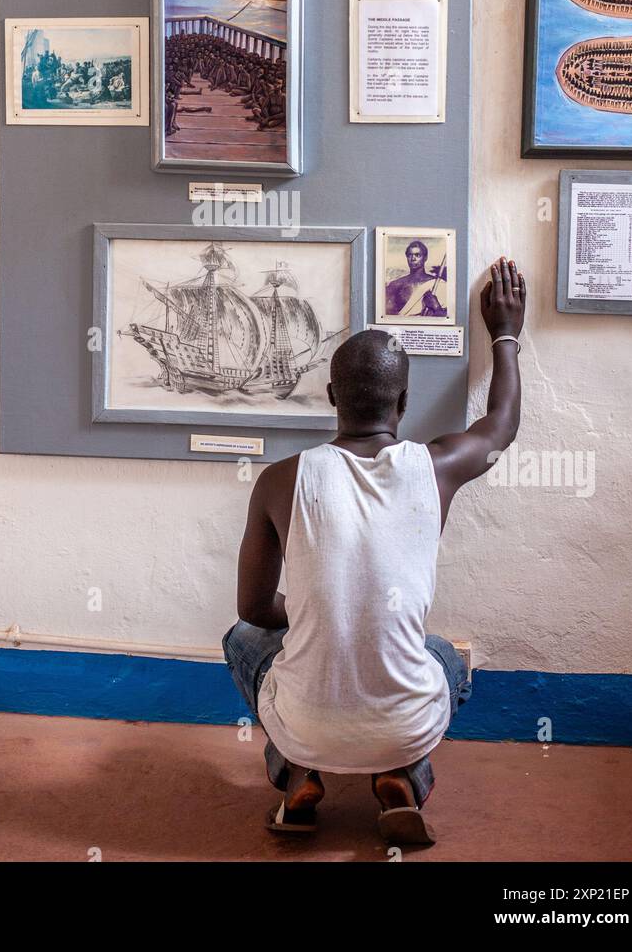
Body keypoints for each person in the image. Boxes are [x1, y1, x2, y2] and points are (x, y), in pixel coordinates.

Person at [223, 256, 526, 844]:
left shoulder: (281, 479)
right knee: (444, 653)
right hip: (405, 722)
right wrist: (505, 333)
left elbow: (255, 610)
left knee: (240, 641)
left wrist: (324, 607)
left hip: (303, 722)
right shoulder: (435, 467)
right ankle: (402, 775)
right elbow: (502, 425)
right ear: (405, 400)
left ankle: (296, 776)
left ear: (332, 393)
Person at [385, 239, 448, 318]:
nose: (413, 258)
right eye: (409, 255)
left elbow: (447, 319)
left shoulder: (438, 284)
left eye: (417, 255)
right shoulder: (395, 284)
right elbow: (387, 316)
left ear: (425, 258)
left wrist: (436, 307)